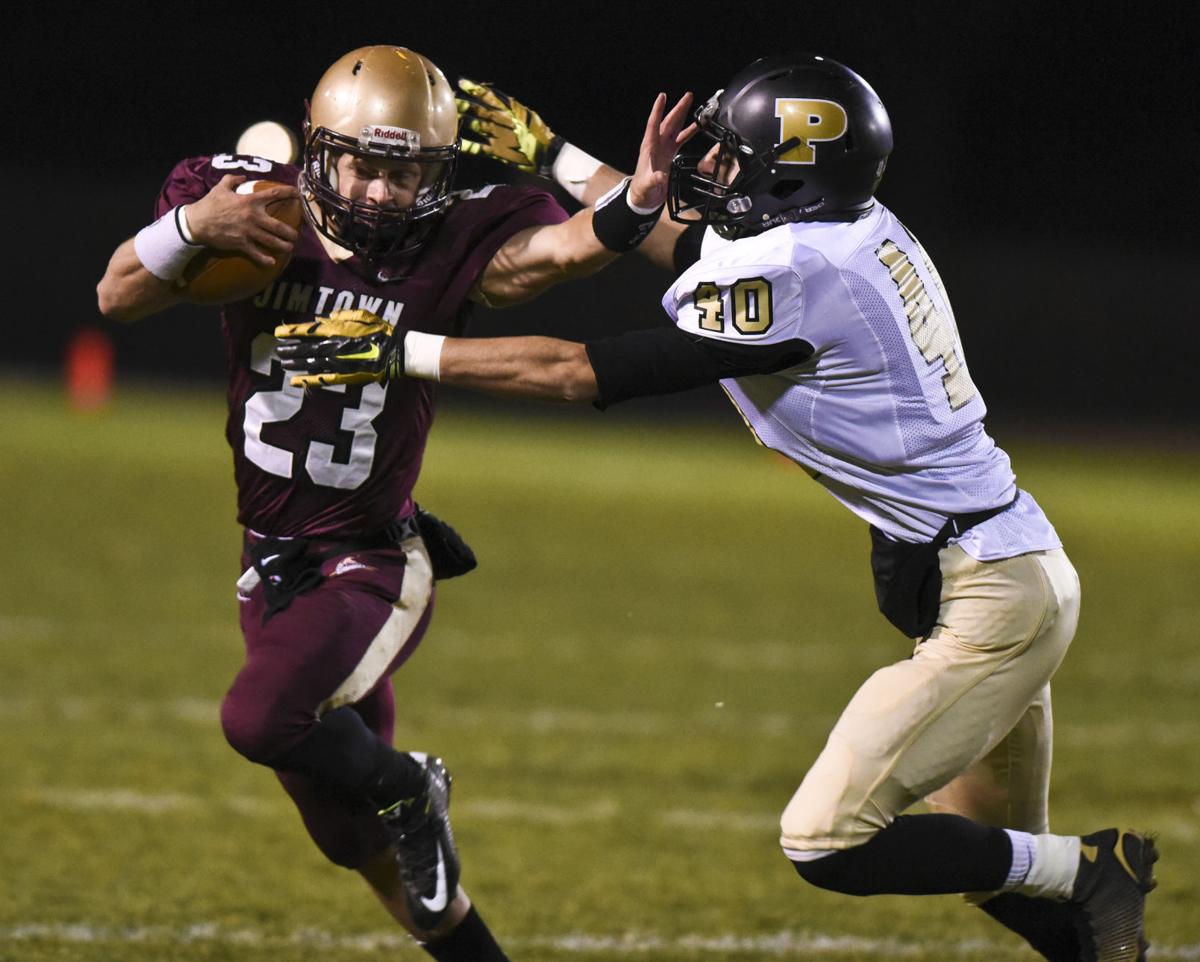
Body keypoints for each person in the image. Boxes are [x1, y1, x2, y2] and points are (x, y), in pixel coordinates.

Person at [278, 55, 1159, 962]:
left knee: (829, 838)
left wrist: (405, 350)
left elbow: (585, 371)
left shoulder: (804, 268)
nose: (715, 174)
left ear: (791, 175)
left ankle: (1099, 868)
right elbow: (695, 246)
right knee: (994, 867)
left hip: (994, 595)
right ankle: (1096, 912)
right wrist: (555, 156)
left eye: (736, 160)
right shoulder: (841, 231)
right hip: (1001, 567)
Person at [96, 44, 693, 962]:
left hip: (370, 559)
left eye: (403, 171)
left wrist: (637, 200)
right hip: (268, 558)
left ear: (437, 172)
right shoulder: (253, 210)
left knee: (260, 721)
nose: (378, 193)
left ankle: (415, 789)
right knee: (349, 836)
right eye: (363, 166)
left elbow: (560, 252)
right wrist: (194, 224)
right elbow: (117, 295)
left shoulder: (449, 241)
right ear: (317, 147)